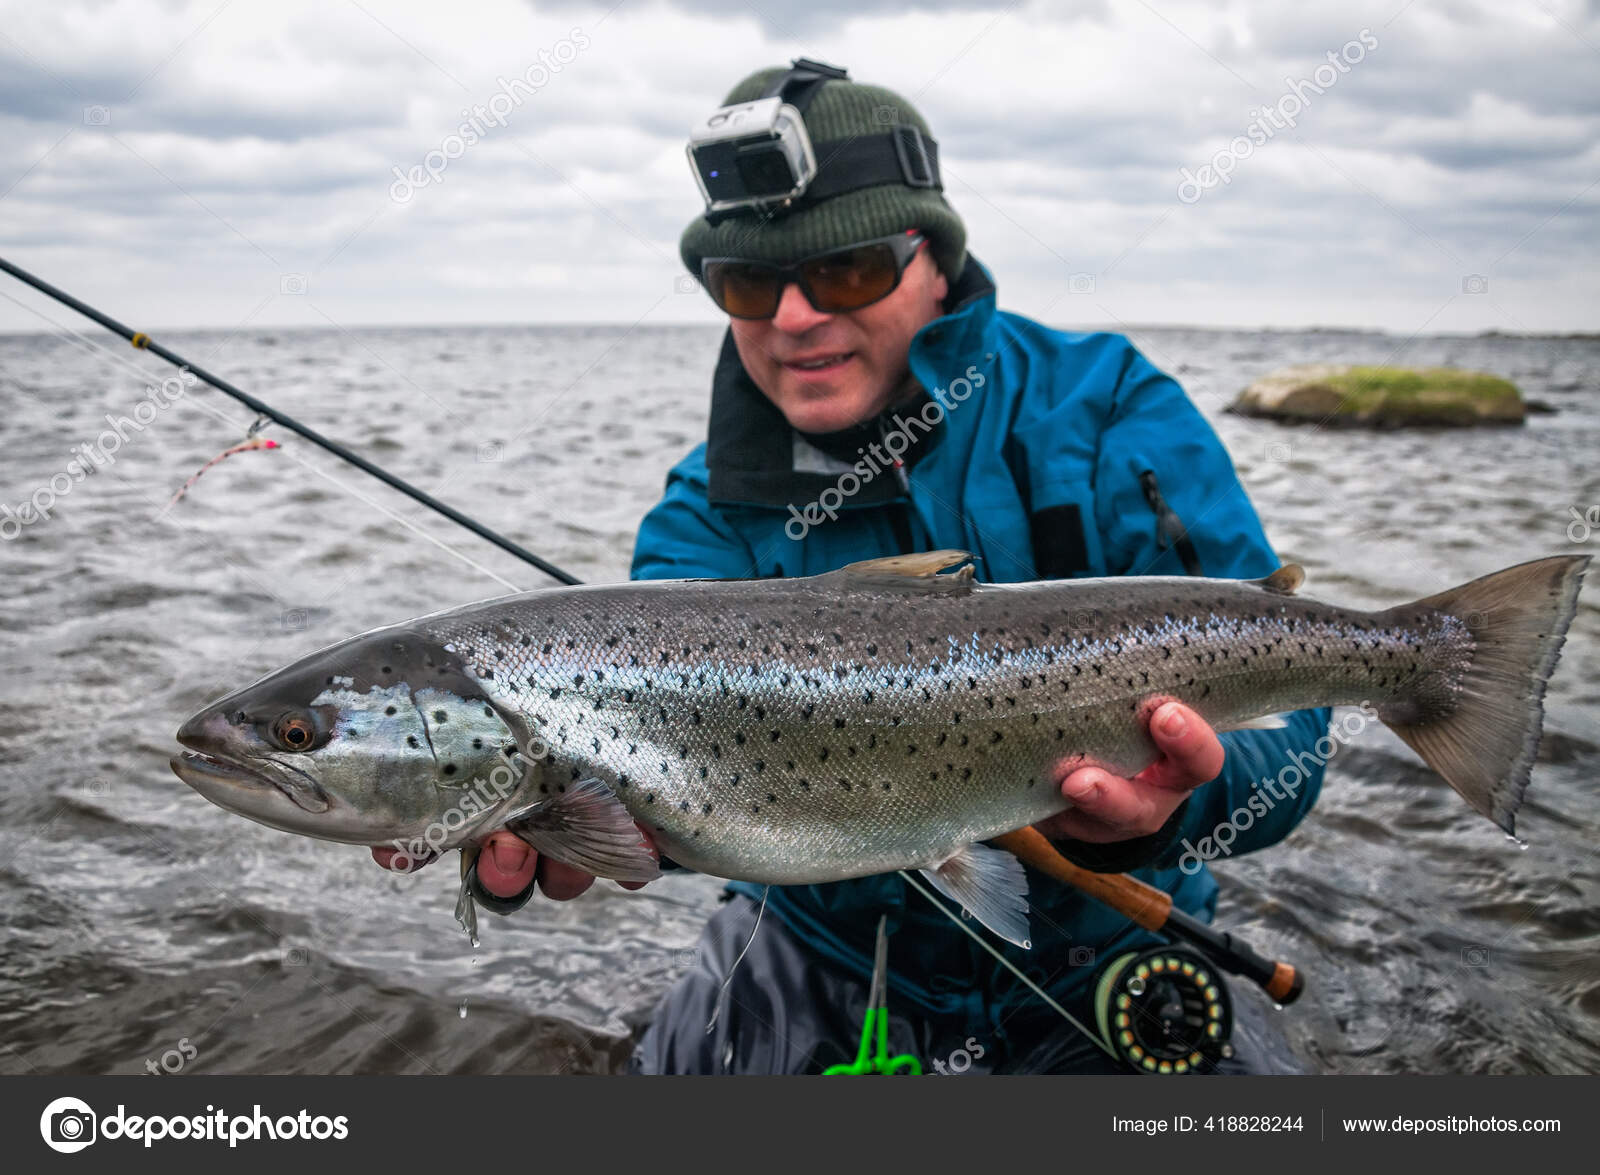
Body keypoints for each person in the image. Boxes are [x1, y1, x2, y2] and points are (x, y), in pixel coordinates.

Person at [378, 65, 1331, 1074]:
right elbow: (613, 790)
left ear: (934, 260)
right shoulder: (701, 512)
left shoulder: (1105, 410)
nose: (792, 316)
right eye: (748, 282)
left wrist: (1170, 810)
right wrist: (508, 842)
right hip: (818, 949)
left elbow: (1295, 749)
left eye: (843, 272)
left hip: (1111, 948)